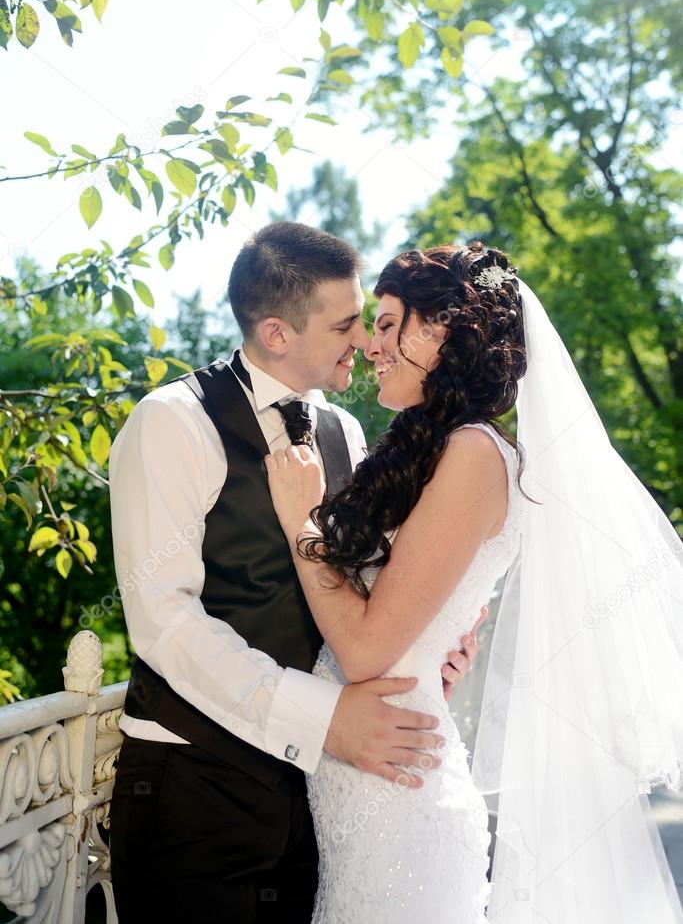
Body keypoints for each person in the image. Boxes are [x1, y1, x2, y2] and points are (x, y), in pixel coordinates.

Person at [266, 240, 683, 924]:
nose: (370, 345)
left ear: (440, 330)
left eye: (385, 321)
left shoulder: (474, 454)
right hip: (366, 800)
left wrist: (300, 524)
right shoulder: (436, 450)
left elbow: (368, 650)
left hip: (402, 819)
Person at [108, 222, 483, 923]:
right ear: (277, 333)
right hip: (196, 793)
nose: (365, 341)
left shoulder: (345, 431)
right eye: (345, 323)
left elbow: (365, 591)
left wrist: (432, 646)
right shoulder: (171, 422)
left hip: (320, 798)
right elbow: (162, 622)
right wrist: (323, 718)